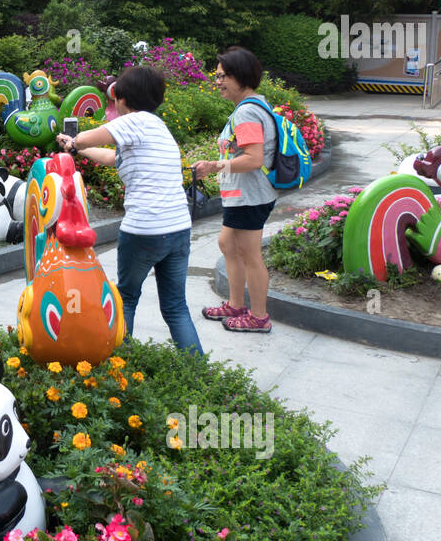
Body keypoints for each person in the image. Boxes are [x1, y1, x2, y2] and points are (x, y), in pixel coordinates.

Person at [55, 65, 203, 355]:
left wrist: (75, 141)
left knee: (126, 298)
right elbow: (113, 157)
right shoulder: (157, 128)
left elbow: (88, 137)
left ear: (123, 99)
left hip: (144, 230)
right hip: (178, 228)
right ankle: (200, 378)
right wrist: (77, 150)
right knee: (175, 307)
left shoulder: (134, 121)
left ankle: (122, 368)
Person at [192, 47, 276, 333]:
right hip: (243, 195)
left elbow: (254, 159)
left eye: (223, 76)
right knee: (227, 244)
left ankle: (259, 317)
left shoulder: (248, 112)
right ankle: (236, 304)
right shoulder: (250, 107)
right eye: (216, 76)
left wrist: (215, 166)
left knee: (250, 254)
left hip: (250, 196)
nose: (217, 82)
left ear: (241, 76)